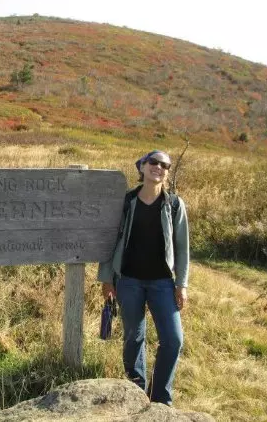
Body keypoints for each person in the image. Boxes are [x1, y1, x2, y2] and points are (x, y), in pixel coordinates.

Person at [98, 149, 189, 406]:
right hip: (128, 281)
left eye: (164, 165)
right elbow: (110, 241)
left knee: (173, 340)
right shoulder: (126, 202)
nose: (158, 167)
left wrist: (181, 284)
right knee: (133, 338)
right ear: (142, 167)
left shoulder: (173, 204)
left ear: (167, 173)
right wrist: (107, 278)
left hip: (162, 283)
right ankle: (136, 393)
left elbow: (182, 247)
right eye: (153, 162)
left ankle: (160, 399)